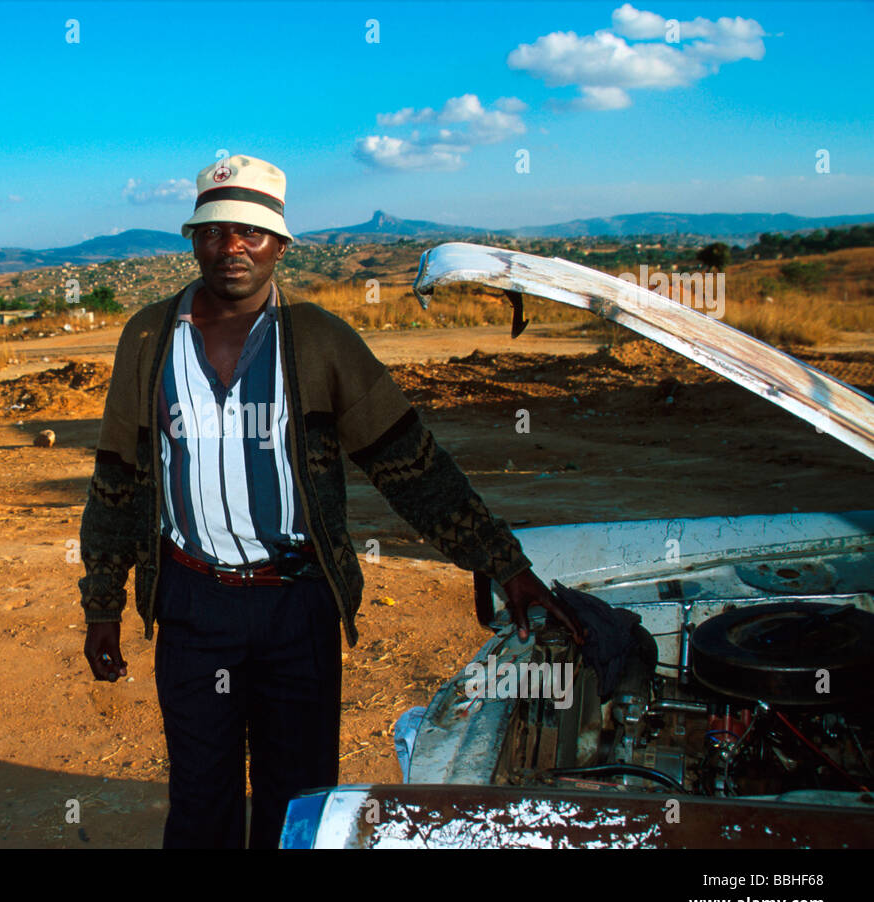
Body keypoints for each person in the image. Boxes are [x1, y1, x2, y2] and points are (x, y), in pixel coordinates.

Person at [78, 153, 582, 849]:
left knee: (300, 806)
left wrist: (505, 563)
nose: (233, 248)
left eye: (251, 233)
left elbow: (412, 467)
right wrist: (103, 604)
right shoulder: (147, 340)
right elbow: (117, 479)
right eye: (216, 231)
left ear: (280, 245)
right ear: (192, 240)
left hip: (297, 608)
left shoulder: (322, 343)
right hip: (194, 608)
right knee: (200, 805)